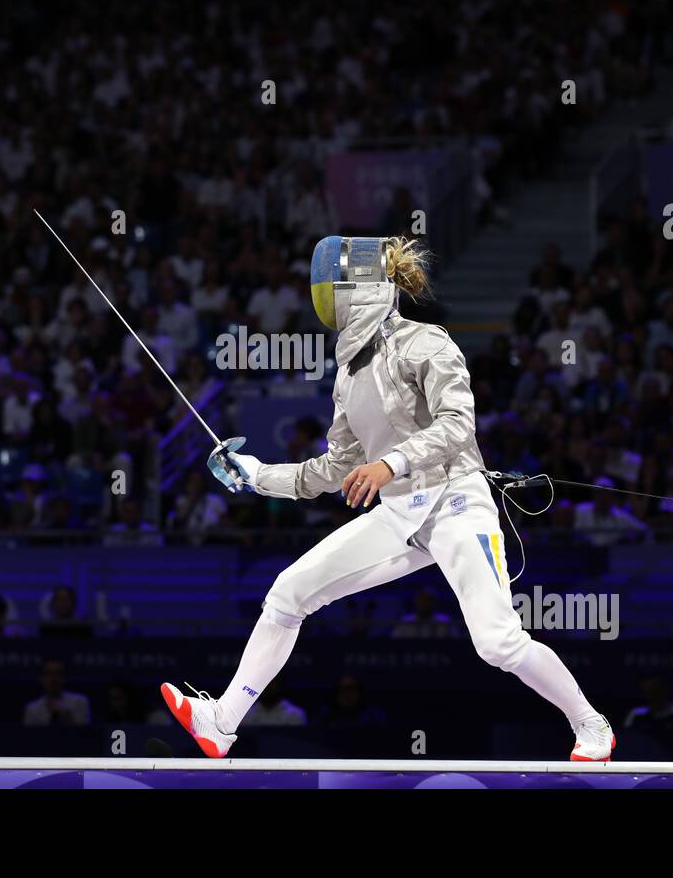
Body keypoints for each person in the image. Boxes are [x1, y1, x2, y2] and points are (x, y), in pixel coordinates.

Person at [160, 236, 612, 760]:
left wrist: (390, 463)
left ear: (360, 289)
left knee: (497, 643)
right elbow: (334, 467)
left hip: (456, 502)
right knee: (288, 593)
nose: (323, 300)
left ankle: (590, 724)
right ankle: (221, 722)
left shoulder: (428, 342)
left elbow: (458, 424)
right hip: (400, 514)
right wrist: (258, 474)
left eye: (329, 288)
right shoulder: (348, 376)